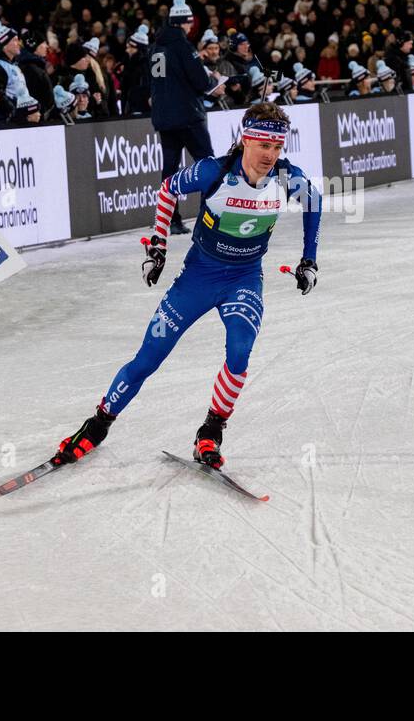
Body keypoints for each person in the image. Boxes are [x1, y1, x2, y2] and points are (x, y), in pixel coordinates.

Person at [53, 103, 321, 469]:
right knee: (147, 360)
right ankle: (96, 426)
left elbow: (314, 201)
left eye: (277, 148)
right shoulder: (213, 171)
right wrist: (158, 245)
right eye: (263, 146)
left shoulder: (287, 177)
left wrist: (309, 258)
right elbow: (167, 191)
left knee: (239, 352)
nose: (270, 156)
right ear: (246, 140)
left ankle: (210, 432)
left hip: (243, 280)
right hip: (197, 280)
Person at [150, 0, 225, 234]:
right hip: (187, 115)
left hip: (164, 117)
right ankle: (210, 217)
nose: (191, 27)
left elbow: (156, 81)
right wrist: (211, 80)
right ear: (183, 22)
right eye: (190, 23)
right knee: (208, 164)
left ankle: (170, 220)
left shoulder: (156, 48)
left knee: (169, 169)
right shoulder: (183, 46)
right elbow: (200, 81)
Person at [120, 23, 152, 116]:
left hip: (141, 110)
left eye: (130, 47)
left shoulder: (146, 66)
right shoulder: (128, 63)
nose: (127, 50)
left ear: (139, 50)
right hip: (130, 108)